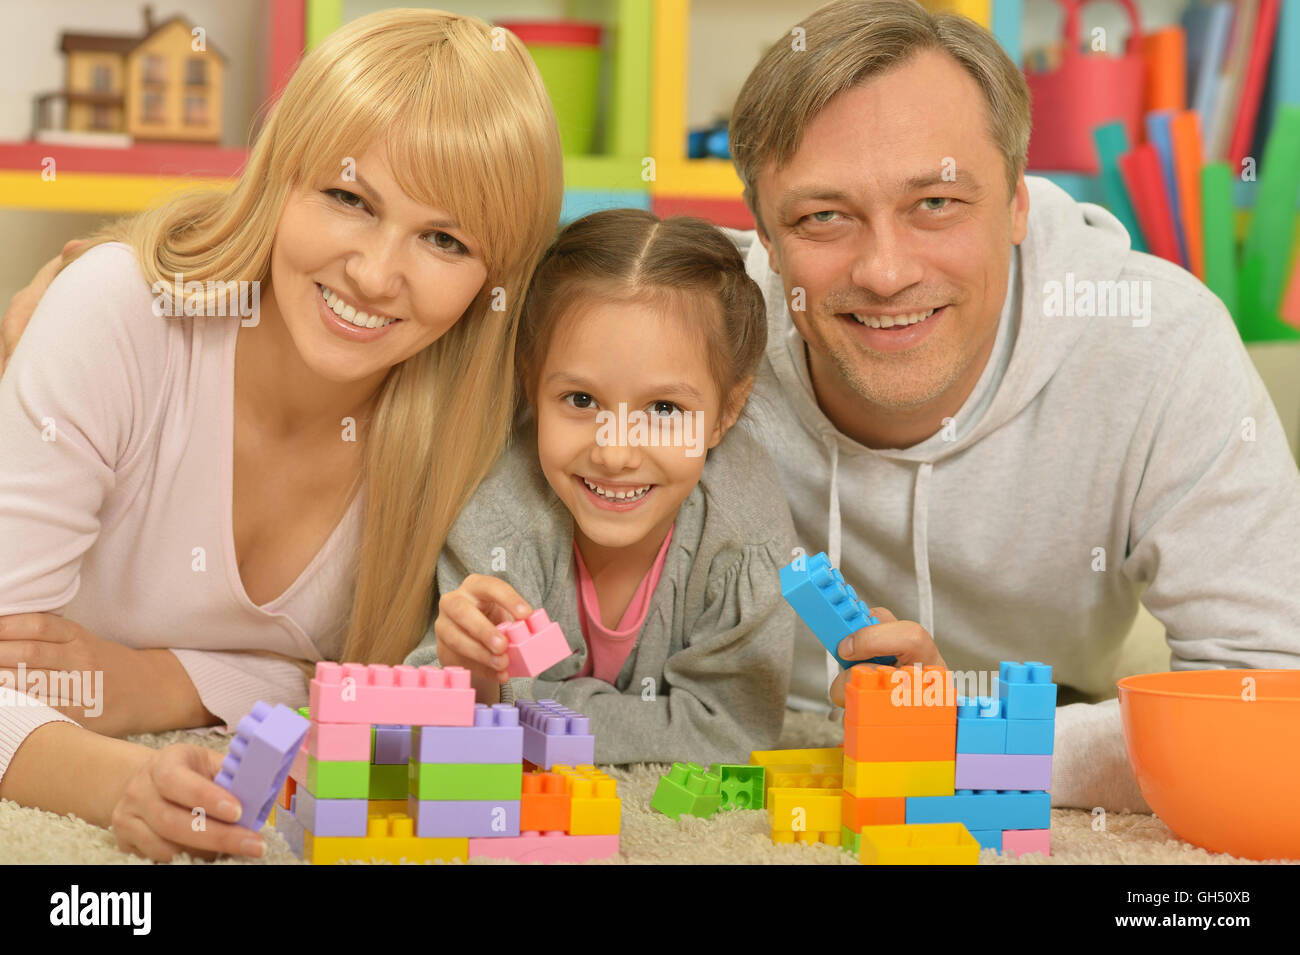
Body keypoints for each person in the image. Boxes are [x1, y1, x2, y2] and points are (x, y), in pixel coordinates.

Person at [0, 9, 562, 860]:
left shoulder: (474, 435)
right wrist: (119, 780)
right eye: (348, 198)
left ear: (495, 280)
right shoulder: (117, 312)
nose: (375, 274)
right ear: (277, 178)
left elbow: (377, 689)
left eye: (443, 239)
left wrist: (157, 682)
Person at [725, 0, 1300, 809]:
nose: (885, 272)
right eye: (824, 216)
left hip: (1047, 728)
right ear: (765, 237)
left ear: (1020, 202)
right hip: (774, 754)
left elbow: (1271, 695)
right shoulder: (695, 337)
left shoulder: (1161, 343)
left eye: (937, 203)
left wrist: (969, 736)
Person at [410, 210, 795, 764]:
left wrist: (538, 710)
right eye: (581, 401)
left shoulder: (743, 529)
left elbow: (733, 732)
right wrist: (475, 683)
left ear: (726, 411)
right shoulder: (501, 519)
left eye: (663, 408)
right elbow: (429, 710)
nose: (615, 453)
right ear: (531, 387)